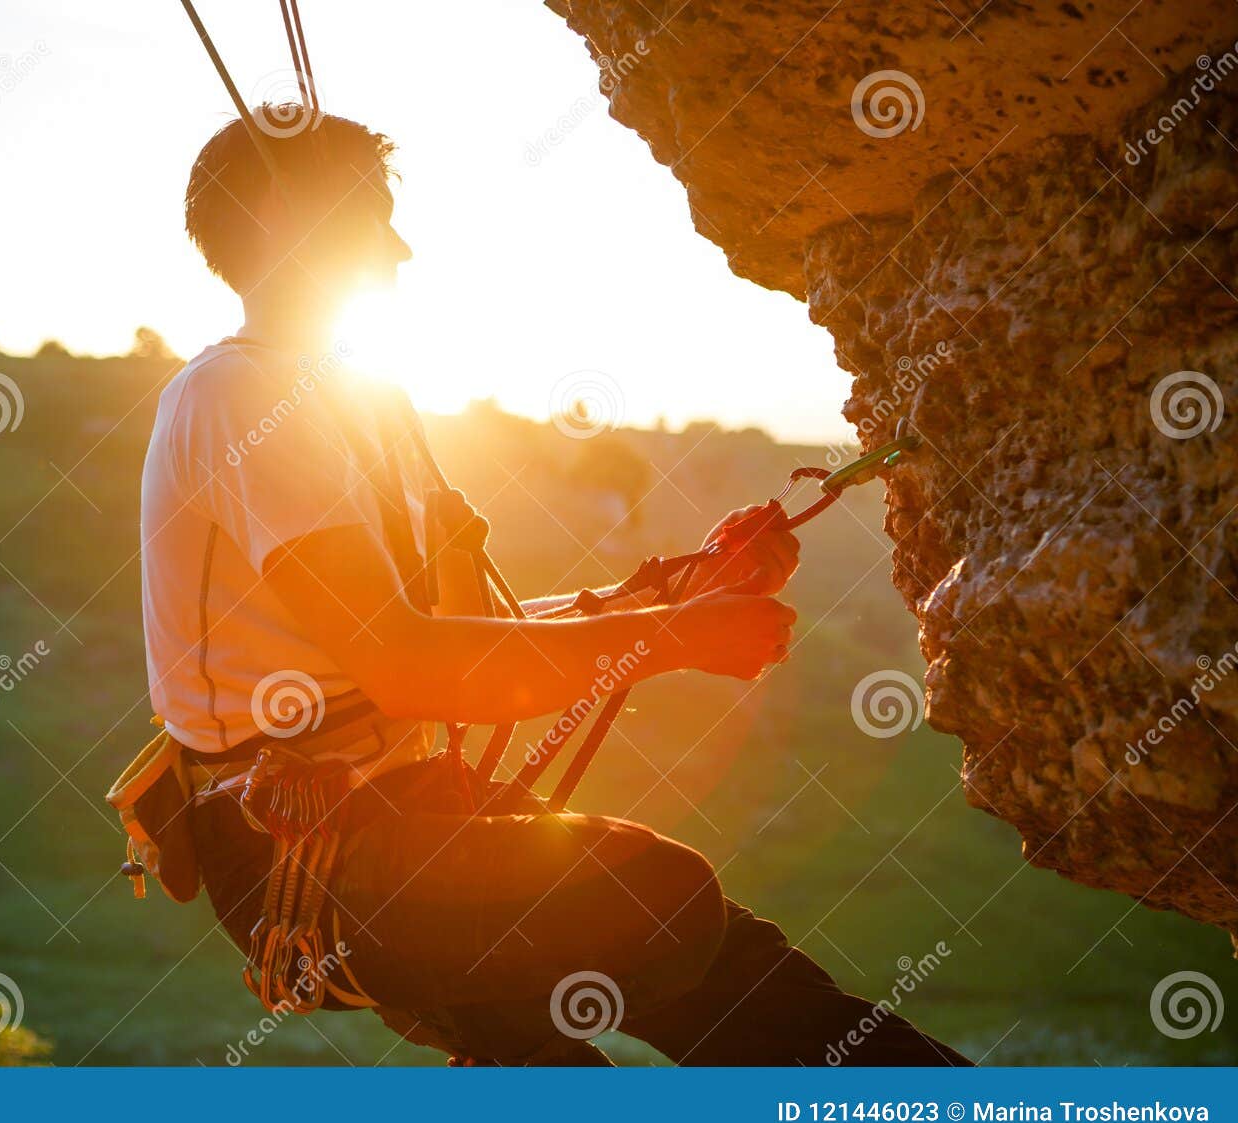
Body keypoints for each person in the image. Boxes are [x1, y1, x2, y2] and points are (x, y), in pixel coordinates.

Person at [138, 105, 969, 1066]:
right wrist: (676, 637)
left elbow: (464, 633)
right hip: (310, 854)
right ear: (284, 211)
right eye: (373, 211)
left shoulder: (351, 400)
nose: (400, 246)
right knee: (661, 908)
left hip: (396, 829)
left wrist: (676, 590)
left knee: (750, 982)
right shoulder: (239, 396)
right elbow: (415, 666)